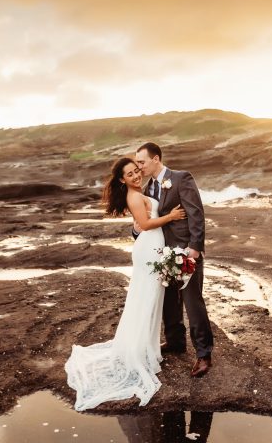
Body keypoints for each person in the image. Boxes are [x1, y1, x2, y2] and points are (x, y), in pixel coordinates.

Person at [64, 157, 187, 411]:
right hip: (149, 248)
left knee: (149, 299)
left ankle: (146, 349)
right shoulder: (133, 196)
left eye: (135, 171)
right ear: (122, 180)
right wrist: (172, 216)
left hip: (153, 246)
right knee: (147, 299)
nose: (135, 176)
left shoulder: (139, 192)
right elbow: (144, 224)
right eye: (129, 174)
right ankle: (140, 353)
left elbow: (140, 223)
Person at [134, 142, 214, 377]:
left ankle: (203, 354)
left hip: (185, 251)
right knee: (169, 299)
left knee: (192, 301)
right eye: (137, 162)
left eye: (142, 162)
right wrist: (137, 230)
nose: (139, 167)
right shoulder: (147, 189)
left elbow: (196, 213)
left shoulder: (181, 178)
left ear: (156, 159)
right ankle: (175, 341)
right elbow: (148, 221)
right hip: (160, 252)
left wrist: (195, 248)